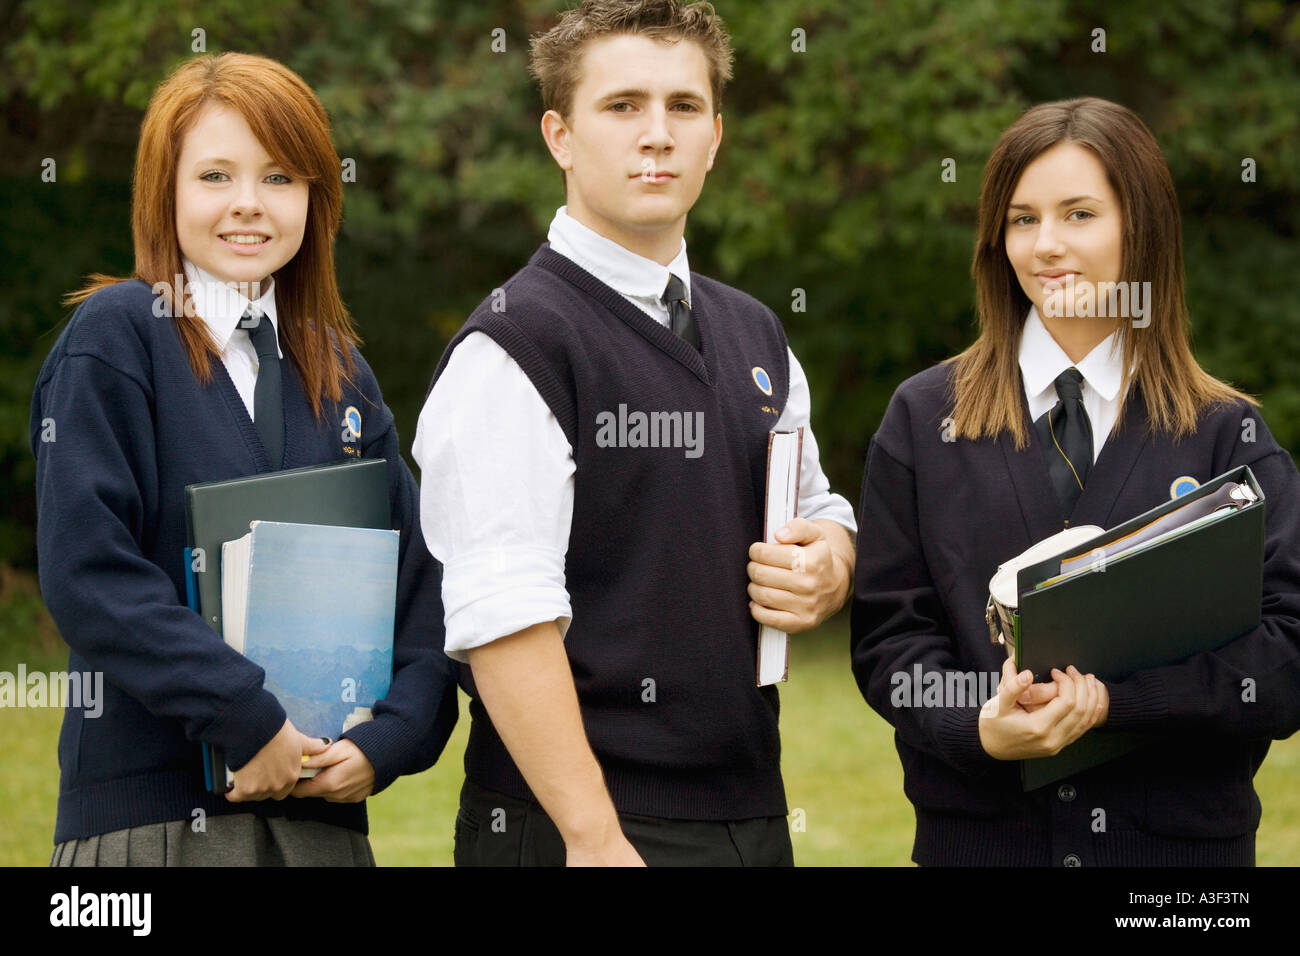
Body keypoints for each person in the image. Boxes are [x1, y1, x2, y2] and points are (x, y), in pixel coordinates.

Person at [414, 0, 857, 867]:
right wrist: (592, 835)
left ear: (715, 136)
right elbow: (504, 617)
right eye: (622, 107)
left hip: (749, 810)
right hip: (580, 828)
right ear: (560, 135)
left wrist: (829, 563)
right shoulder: (516, 345)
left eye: (683, 107)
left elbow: (816, 503)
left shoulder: (757, 332)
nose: (657, 134)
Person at [31, 52, 458, 866]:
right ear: (166, 191)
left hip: (323, 830)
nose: (248, 207)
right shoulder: (116, 339)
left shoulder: (341, 374)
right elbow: (90, 574)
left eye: (280, 178)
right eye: (216, 176)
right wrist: (246, 716)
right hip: (150, 828)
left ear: (315, 200)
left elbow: (426, 584)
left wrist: (392, 738)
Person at [851, 96, 1300, 866]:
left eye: (1080, 214)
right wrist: (981, 724)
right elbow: (891, 644)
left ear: (1142, 228)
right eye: (1022, 220)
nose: (1046, 245)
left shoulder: (1229, 433)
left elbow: (1287, 656)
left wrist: (1118, 706)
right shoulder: (925, 419)